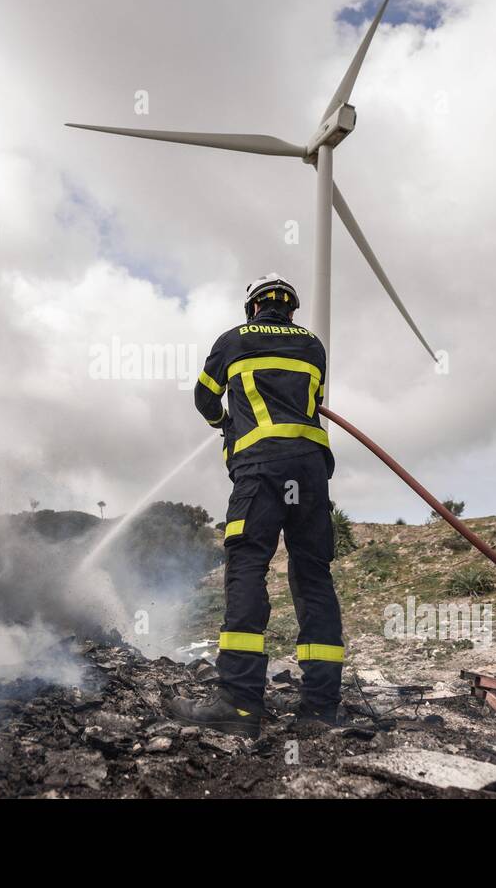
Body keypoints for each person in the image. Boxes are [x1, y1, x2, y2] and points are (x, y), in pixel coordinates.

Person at [169, 274, 345, 738]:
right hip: (310, 471)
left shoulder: (233, 341)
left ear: (252, 308)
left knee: (247, 566)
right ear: (291, 309)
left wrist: (223, 423)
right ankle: (321, 709)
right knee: (313, 577)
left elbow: (205, 397)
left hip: (261, 471)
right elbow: (312, 403)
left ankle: (240, 702)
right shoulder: (313, 345)